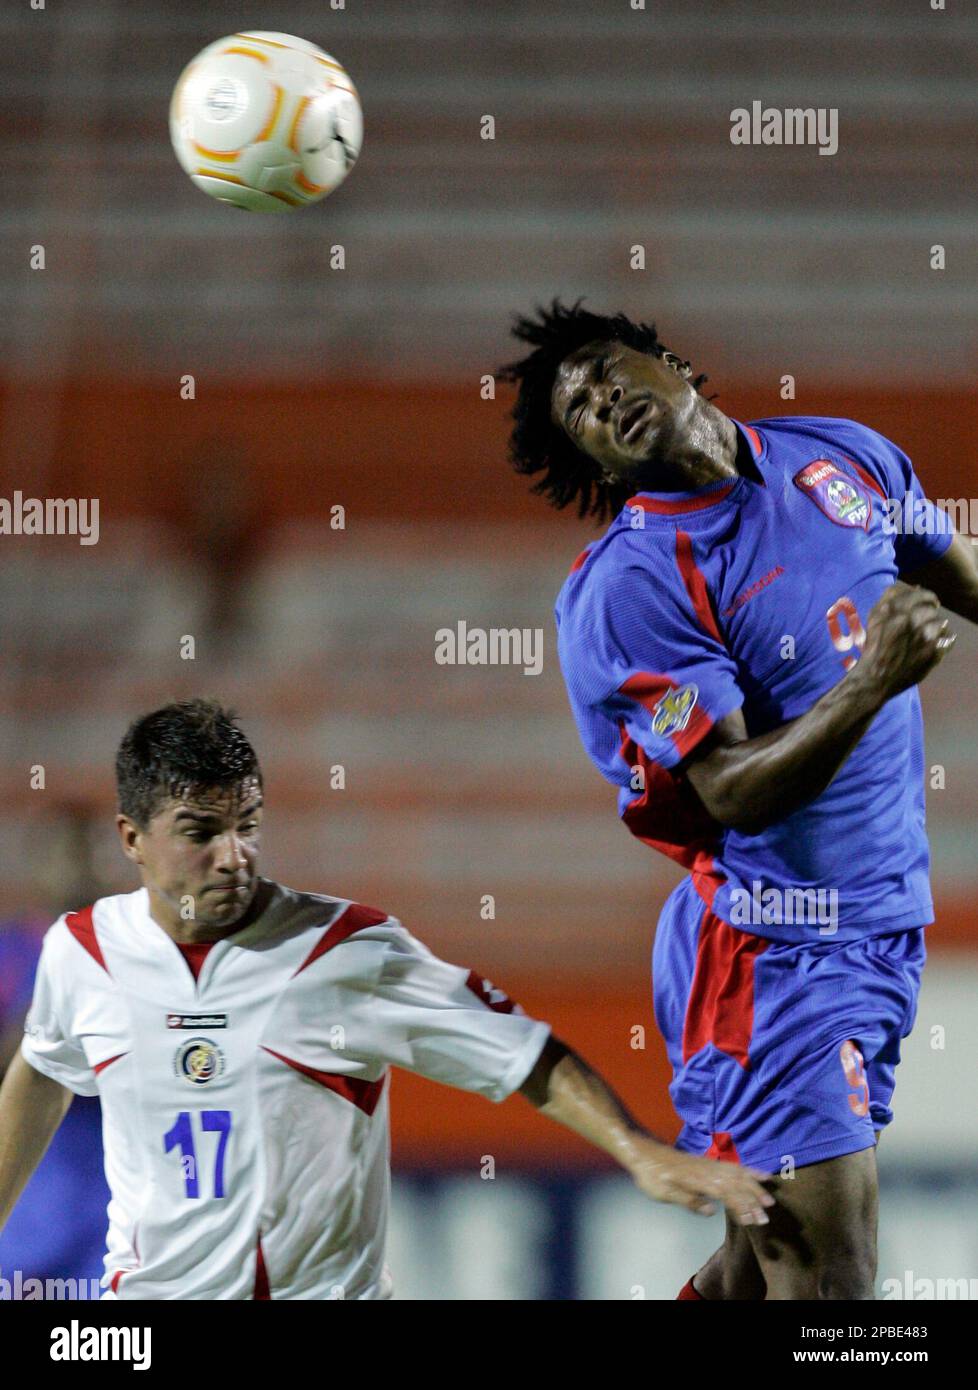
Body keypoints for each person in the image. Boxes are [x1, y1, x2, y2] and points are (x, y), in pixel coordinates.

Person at [499, 298, 978, 1300]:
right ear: (592, 464)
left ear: (667, 357)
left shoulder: (841, 456)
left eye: (603, 371)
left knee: (761, 1272)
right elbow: (728, 793)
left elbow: (959, 576)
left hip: (884, 923)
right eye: (578, 412)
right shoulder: (632, 587)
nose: (601, 401)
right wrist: (869, 682)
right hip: (770, 954)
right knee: (835, 1288)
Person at [0, 699, 772, 1301]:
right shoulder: (82, 953)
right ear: (132, 839)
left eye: (247, 825)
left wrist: (635, 1150)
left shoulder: (346, 951)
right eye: (201, 831)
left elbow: (520, 1050)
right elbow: (41, 1068)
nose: (232, 855)